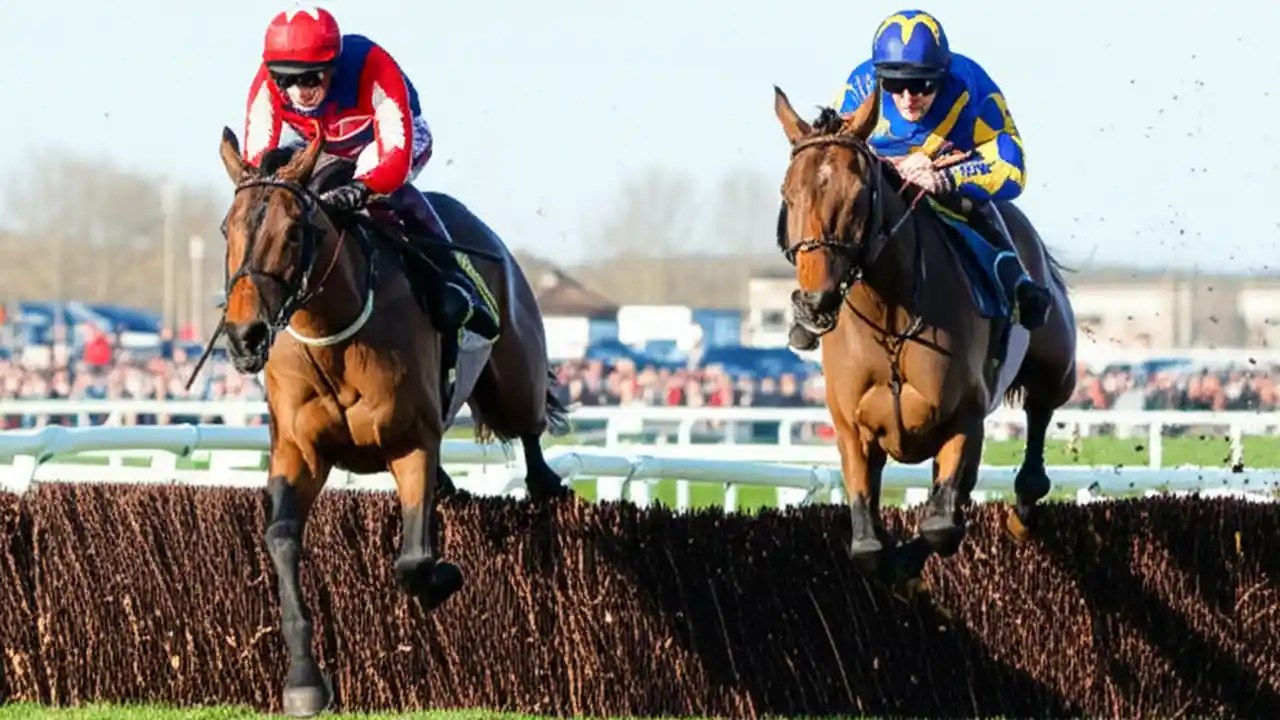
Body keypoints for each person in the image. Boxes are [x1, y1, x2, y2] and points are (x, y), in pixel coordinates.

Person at [789, 9, 1051, 351]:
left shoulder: (972, 87)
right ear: (881, 79)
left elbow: (1013, 169)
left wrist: (944, 177)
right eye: (896, 86)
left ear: (941, 76)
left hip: (953, 177)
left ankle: (1016, 285)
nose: (909, 97)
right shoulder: (861, 86)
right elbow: (832, 158)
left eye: (922, 85)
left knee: (972, 207)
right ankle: (814, 300)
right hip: (883, 180)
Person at [240, 6, 498, 344]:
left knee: (381, 182)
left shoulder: (371, 65)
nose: (299, 90)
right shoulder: (266, 82)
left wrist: (362, 189)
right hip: (320, 143)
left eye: (311, 77)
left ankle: (451, 278)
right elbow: (257, 160)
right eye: (286, 78)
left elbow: (394, 153)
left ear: (333, 66)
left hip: (390, 139)